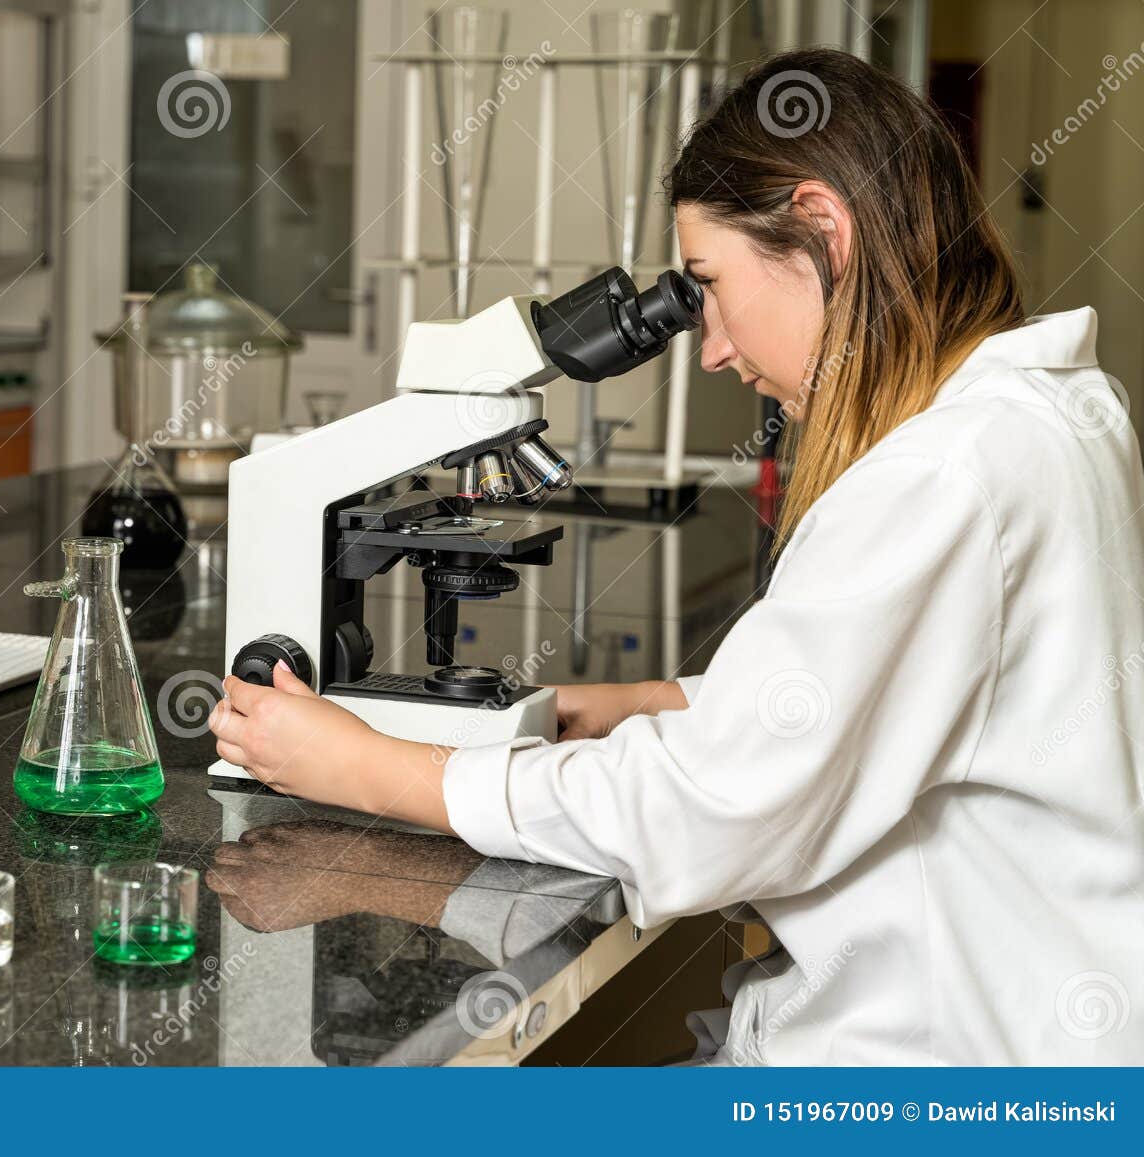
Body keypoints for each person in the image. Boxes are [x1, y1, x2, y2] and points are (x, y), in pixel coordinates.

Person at [207, 48, 1144, 1064]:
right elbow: (904, 698)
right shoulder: (1047, 413)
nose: (711, 348)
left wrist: (370, 768)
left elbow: (710, 811)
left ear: (823, 229)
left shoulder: (942, 475)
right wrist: (654, 703)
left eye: (708, 284)